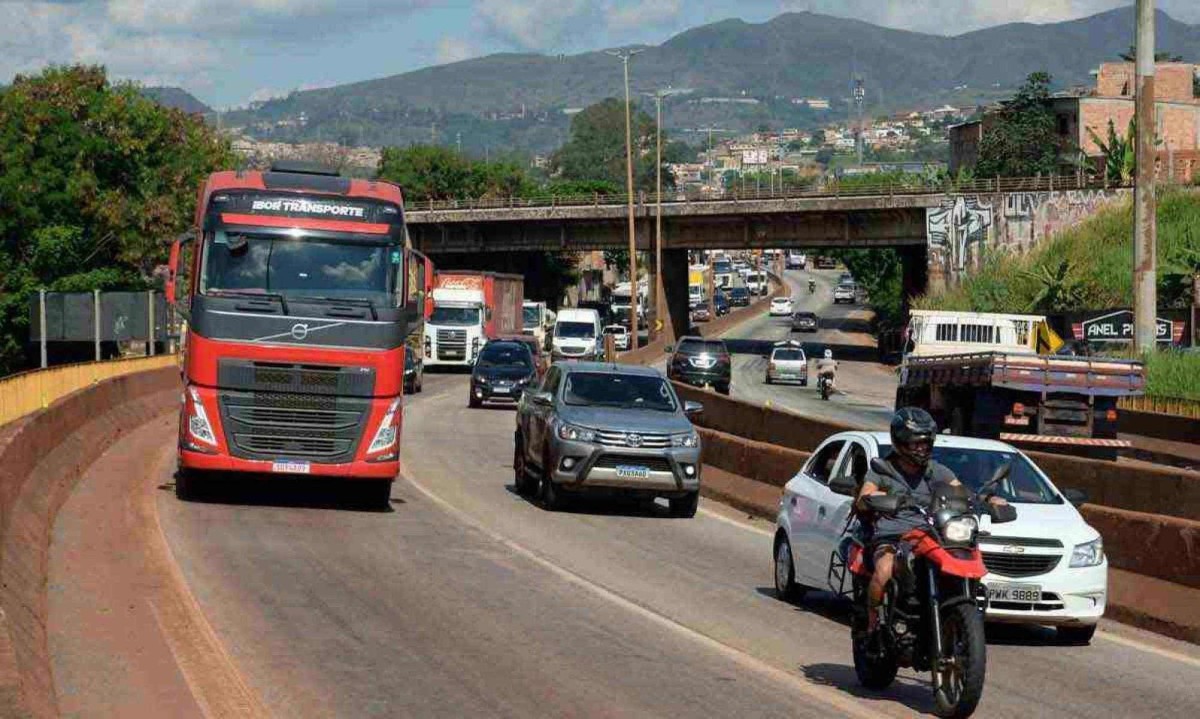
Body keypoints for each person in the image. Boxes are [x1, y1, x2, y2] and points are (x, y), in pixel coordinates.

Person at [855, 408, 1007, 635]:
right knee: (884, 569)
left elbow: (961, 492)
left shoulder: (936, 470)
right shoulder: (882, 470)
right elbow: (864, 497)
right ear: (901, 443)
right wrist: (878, 498)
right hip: (891, 536)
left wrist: (987, 500)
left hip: (930, 534)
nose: (922, 449)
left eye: (926, 444)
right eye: (916, 444)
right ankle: (873, 622)